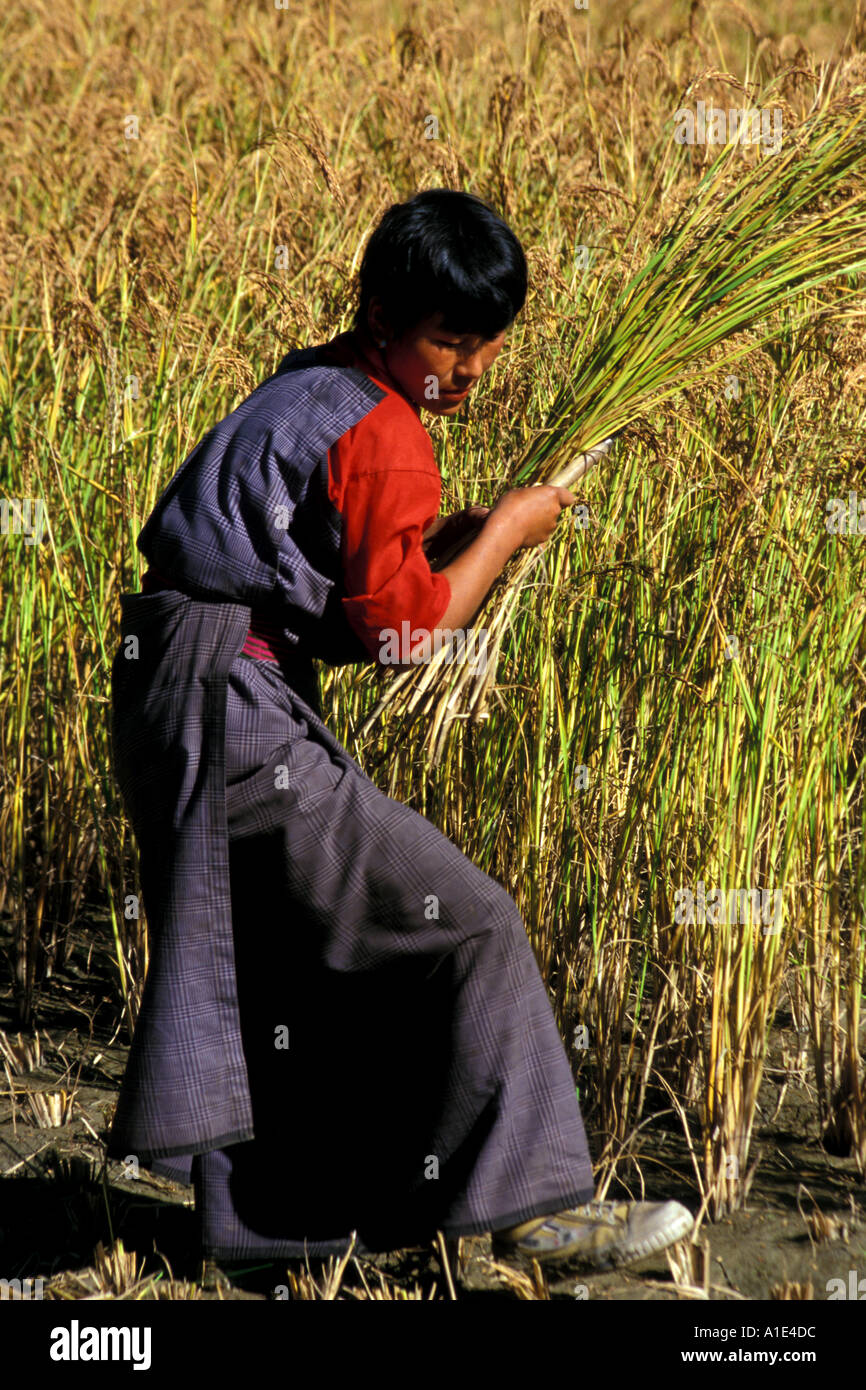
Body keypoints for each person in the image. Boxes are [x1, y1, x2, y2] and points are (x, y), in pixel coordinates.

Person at [106, 187, 693, 1279]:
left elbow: (341, 590)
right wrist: (510, 530)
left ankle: (278, 1229)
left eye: (484, 348)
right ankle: (533, 1210)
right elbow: (404, 639)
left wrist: (450, 541)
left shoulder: (308, 385)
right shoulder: (387, 437)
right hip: (230, 709)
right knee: (469, 922)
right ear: (378, 315)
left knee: (279, 963)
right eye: (445, 344)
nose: (464, 373)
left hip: (166, 689)